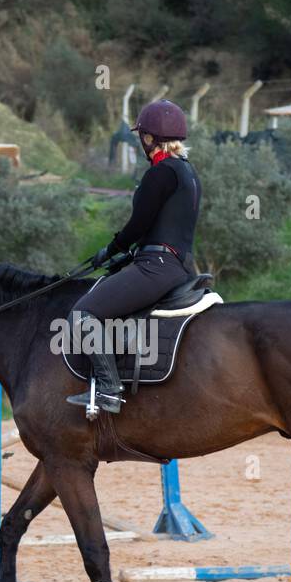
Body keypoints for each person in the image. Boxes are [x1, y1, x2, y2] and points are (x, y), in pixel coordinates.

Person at [66, 99, 201, 415]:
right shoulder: (187, 172)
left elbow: (138, 225)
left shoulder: (161, 173)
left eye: (143, 136)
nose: (142, 140)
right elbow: (161, 227)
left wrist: (110, 250)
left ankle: (109, 391)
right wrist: (125, 258)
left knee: (82, 315)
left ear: (150, 138)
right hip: (175, 264)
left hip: (157, 266)